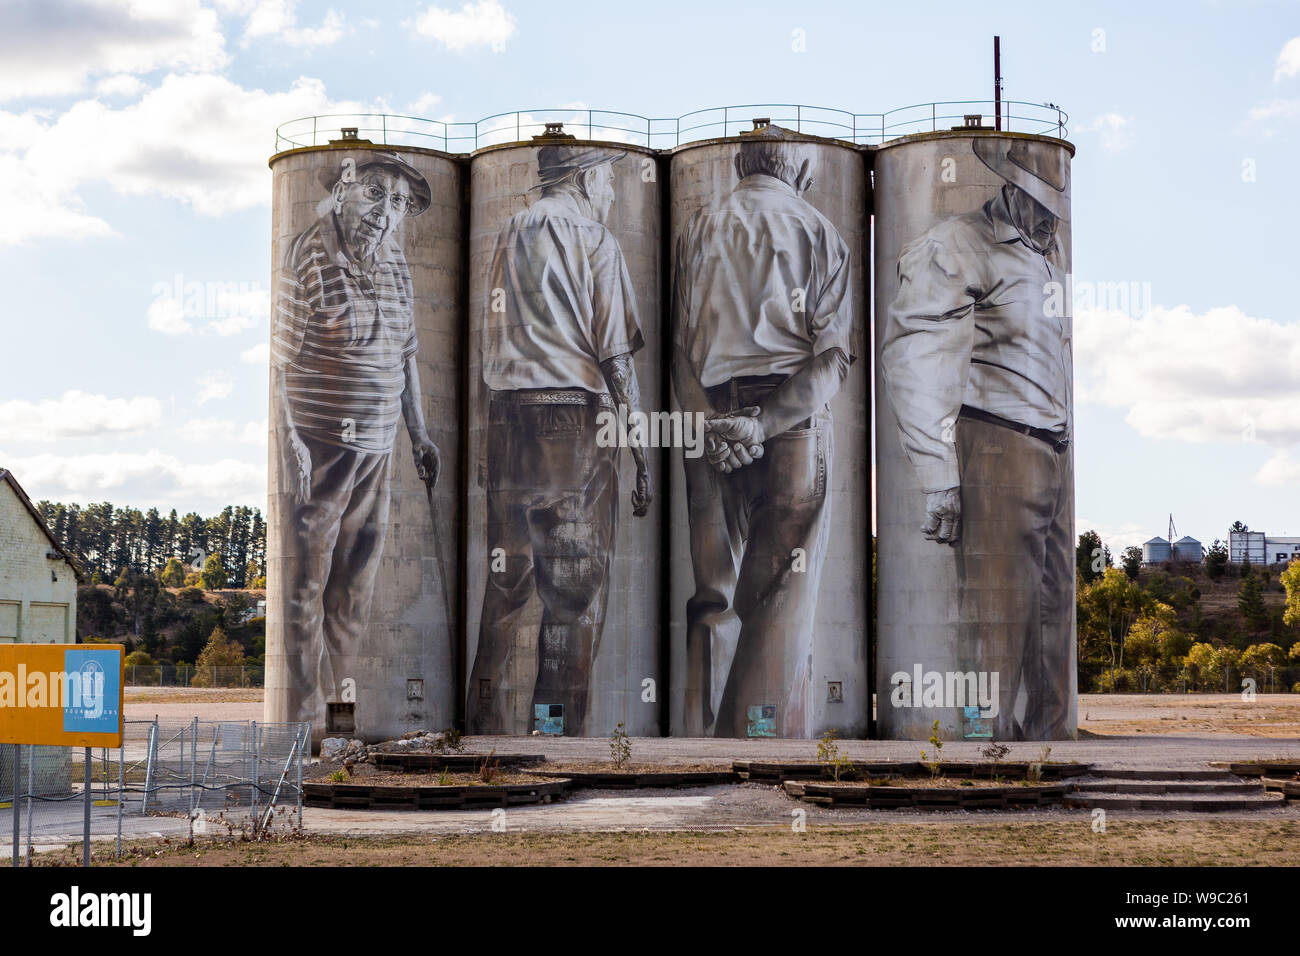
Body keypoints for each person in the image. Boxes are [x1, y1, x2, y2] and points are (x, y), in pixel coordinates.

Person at [881, 137, 1074, 739]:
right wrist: (939, 476)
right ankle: (979, 752)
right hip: (997, 446)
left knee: (1053, 623)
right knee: (996, 624)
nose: (1047, 216)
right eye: (1039, 201)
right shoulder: (958, 243)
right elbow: (913, 358)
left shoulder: (1049, 252)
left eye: (1055, 205)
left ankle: (1046, 755)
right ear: (1012, 189)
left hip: (1056, 455)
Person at [673, 126, 854, 738]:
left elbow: (679, 349)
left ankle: (698, 745)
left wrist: (712, 423)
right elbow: (831, 361)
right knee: (783, 594)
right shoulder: (820, 232)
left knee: (712, 593)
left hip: (709, 419)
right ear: (798, 173)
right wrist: (762, 423)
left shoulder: (696, 230)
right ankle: (756, 741)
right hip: (790, 424)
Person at [469, 143, 651, 736]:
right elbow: (617, 354)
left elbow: (488, 340)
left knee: (504, 587)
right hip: (574, 425)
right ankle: (554, 736)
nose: (613, 191)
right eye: (607, 178)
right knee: (571, 600)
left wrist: (481, 446)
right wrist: (641, 453)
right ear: (585, 178)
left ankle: (482, 731)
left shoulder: (506, 233)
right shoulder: (596, 240)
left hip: (507, 425)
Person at [272, 151, 440, 727]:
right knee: (304, 590)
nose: (385, 213)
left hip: (379, 449)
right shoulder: (308, 254)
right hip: (322, 449)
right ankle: (301, 728)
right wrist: (289, 438)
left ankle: (340, 722)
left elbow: (408, 353)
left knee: (353, 597)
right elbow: (279, 362)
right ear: (343, 187)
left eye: (397, 203)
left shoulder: (395, 261)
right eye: (374, 193)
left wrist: (419, 433)